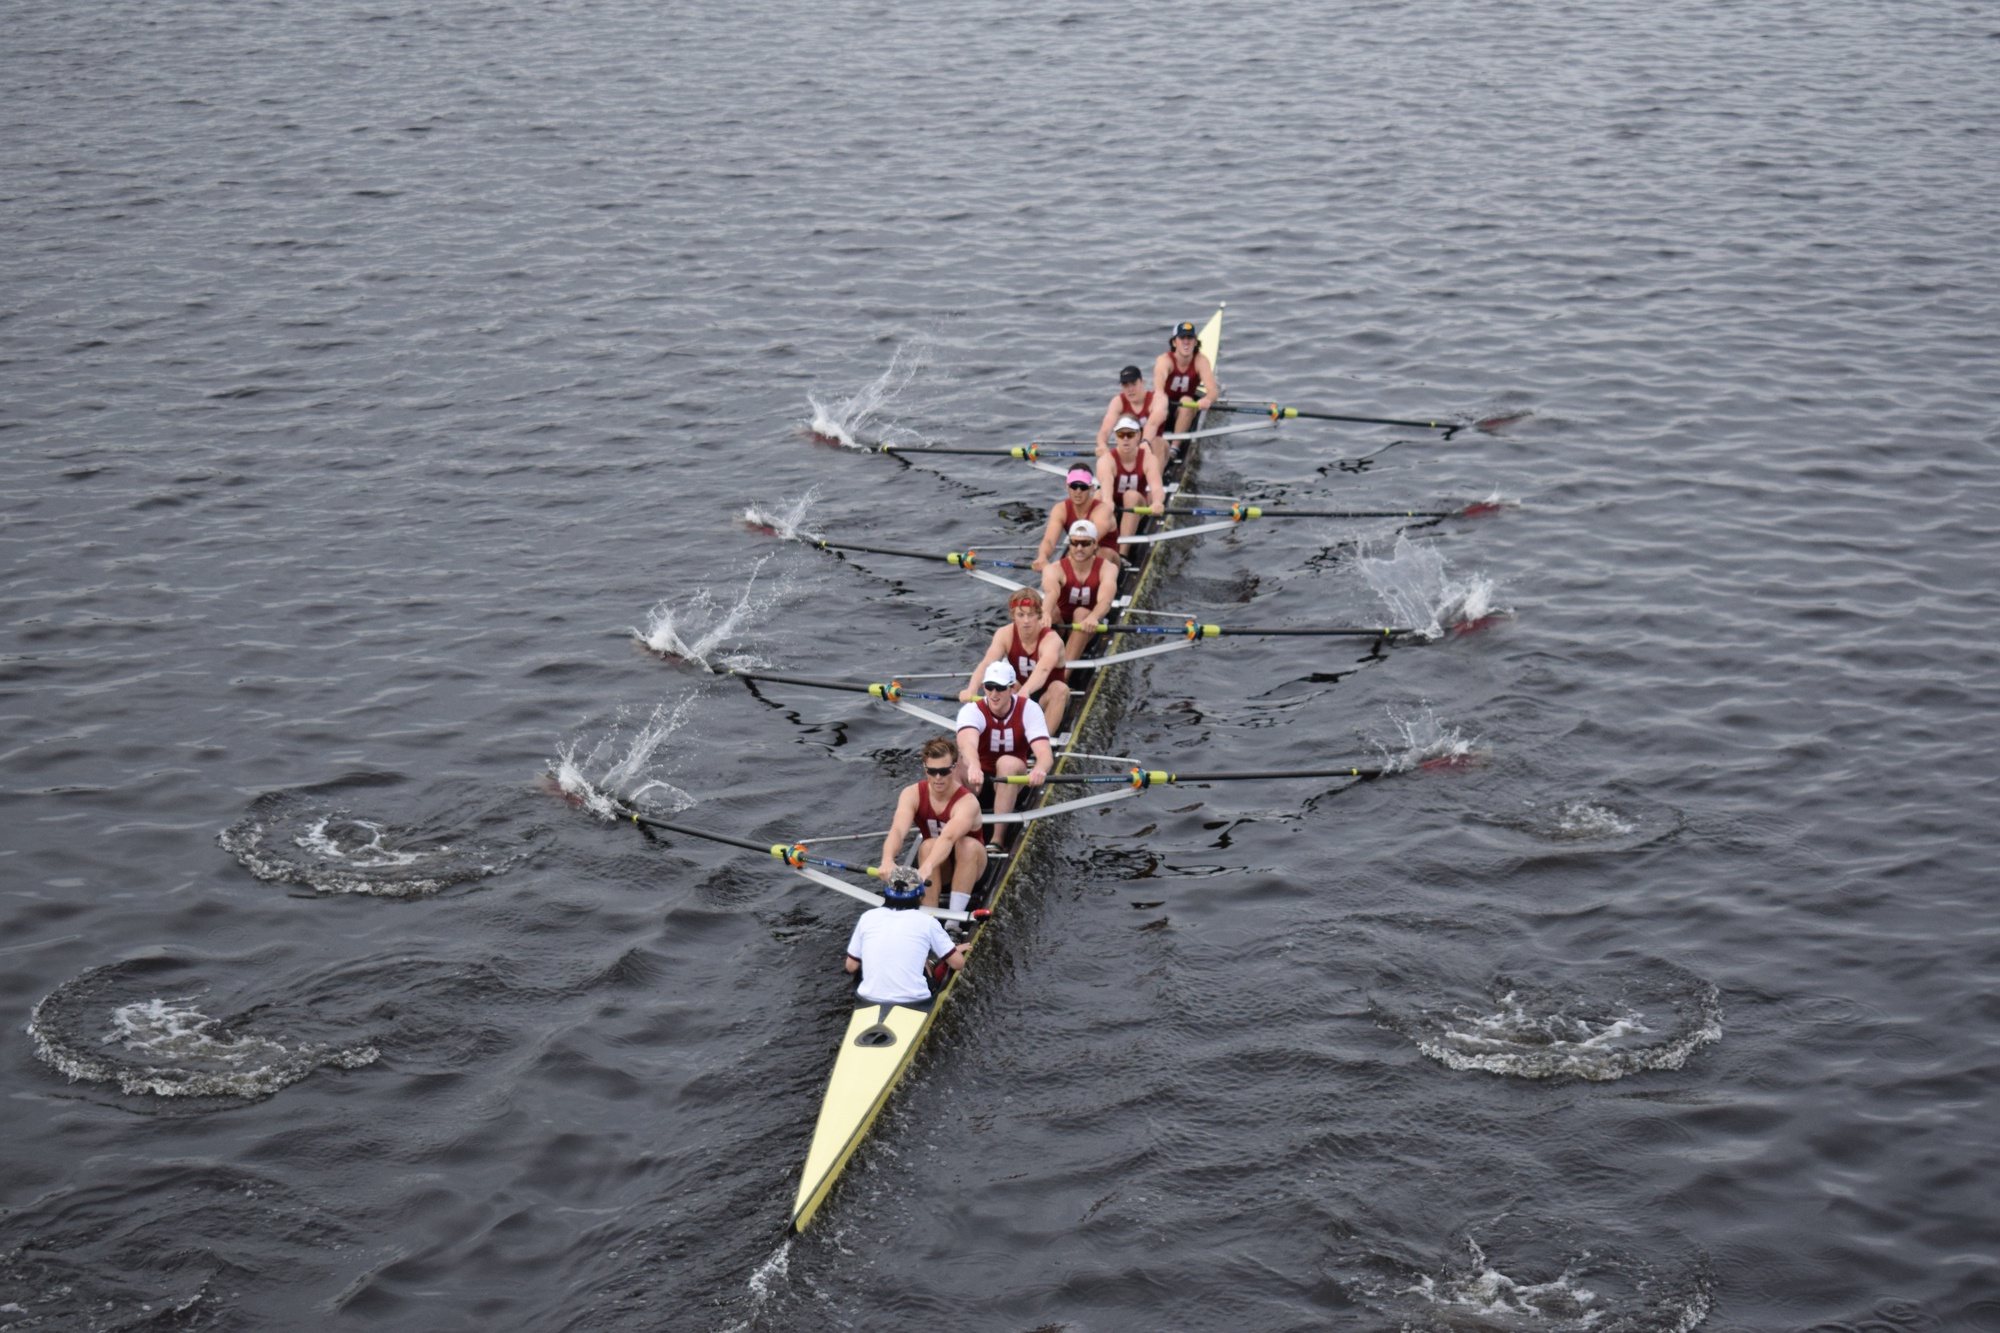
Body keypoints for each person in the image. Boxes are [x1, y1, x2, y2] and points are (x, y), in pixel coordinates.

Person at [878, 735, 987, 912]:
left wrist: (927, 866)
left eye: (944, 771)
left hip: (973, 868)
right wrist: (887, 860)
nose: (938, 777)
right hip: (939, 869)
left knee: (966, 845)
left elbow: (949, 837)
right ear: (925, 768)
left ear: (954, 767)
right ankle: (929, 919)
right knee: (928, 845)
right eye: (932, 771)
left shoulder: (967, 801)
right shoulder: (911, 794)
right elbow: (898, 830)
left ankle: (954, 924)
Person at [956, 659, 1053, 849]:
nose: (993, 694)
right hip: (979, 780)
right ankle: (953, 828)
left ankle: (997, 839)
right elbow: (967, 744)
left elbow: (1044, 753)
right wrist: (974, 766)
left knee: (1006, 763)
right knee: (950, 764)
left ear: (1013, 688)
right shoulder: (972, 710)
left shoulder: (1029, 709)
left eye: (999, 688)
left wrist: (1040, 769)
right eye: (989, 687)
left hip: (1013, 782)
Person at [962, 588, 1071, 734]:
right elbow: (987, 664)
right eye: (1021, 615)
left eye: (1031, 615)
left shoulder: (1051, 640)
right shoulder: (1004, 634)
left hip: (1047, 697)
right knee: (1001, 684)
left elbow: (1044, 669)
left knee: (1060, 688)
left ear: (1038, 615)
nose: (1026, 621)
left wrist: (1026, 691)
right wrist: (972, 689)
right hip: (1021, 694)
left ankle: (1041, 742)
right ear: (1013, 615)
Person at [844, 877, 967, 1006]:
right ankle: (931, 963)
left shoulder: (867, 917)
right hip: (915, 1001)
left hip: (868, 998)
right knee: (923, 958)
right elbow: (958, 964)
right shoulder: (927, 921)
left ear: (886, 894)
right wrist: (954, 951)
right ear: (920, 896)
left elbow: (851, 966)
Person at [1042, 518, 1120, 661]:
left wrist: (1094, 617)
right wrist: (1045, 612)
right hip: (1062, 625)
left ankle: (1064, 676)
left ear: (1095, 544)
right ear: (1070, 543)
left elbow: (1105, 601)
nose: (1079, 548)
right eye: (1074, 542)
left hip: (1090, 624)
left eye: (1085, 543)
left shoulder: (1108, 568)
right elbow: (1051, 594)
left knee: (1080, 613)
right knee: (1050, 611)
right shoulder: (1054, 569)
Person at [1146, 320, 1218, 455]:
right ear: (1174, 342)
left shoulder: (1200, 361)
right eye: (1182, 338)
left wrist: (1207, 400)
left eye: (1190, 338)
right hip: (1164, 406)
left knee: (1188, 401)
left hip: (1185, 408)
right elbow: (1159, 380)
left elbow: (1213, 391)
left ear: (1195, 342)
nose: (1186, 342)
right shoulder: (1164, 360)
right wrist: (1160, 395)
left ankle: (1174, 448)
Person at [1096, 415, 1165, 548]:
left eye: (1130, 434)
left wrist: (1157, 502)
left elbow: (1157, 487)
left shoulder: (1148, 458)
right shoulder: (1106, 460)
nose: (1125, 439)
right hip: (1113, 509)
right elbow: (1106, 483)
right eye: (1121, 434)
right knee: (1098, 495)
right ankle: (1096, 547)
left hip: (1137, 510)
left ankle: (1123, 554)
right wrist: (1107, 501)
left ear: (1138, 436)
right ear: (1116, 437)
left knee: (1130, 495)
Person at [1033, 466, 1119, 570]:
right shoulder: (1060, 509)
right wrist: (1043, 557)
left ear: (1090, 488)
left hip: (1110, 562)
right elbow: (1049, 541)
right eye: (1074, 486)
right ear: (1067, 486)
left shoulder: (1101, 510)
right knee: (1074, 554)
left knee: (1100, 553)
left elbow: (1091, 539)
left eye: (1083, 487)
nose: (1078, 491)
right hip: (1080, 555)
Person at [1095, 365, 1154, 452]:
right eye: (1126, 386)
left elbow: (1153, 424)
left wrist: (1145, 442)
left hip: (1152, 443)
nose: (1130, 389)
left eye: (1134, 384)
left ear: (1142, 382)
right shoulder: (1118, 402)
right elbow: (1105, 430)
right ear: (1121, 387)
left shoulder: (1154, 399)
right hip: (1130, 445)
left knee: (1157, 442)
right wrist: (1102, 445)